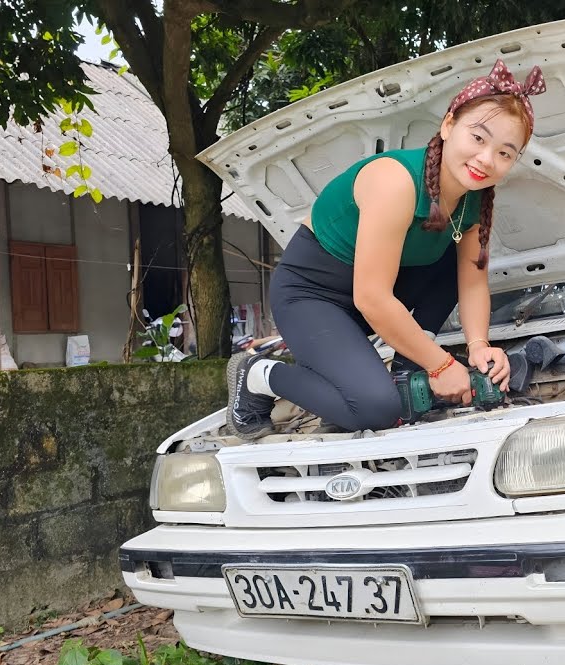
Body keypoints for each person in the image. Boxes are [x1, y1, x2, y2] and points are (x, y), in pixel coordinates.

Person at [225, 60, 547, 440]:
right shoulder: (396, 182)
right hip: (312, 298)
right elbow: (372, 298)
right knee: (377, 409)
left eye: (505, 153)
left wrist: (479, 347)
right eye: (478, 138)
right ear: (448, 125)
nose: (486, 159)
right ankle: (258, 375)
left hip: (375, 297)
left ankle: (408, 368)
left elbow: (473, 281)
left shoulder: (473, 198)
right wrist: (442, 366)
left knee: (452, 259)